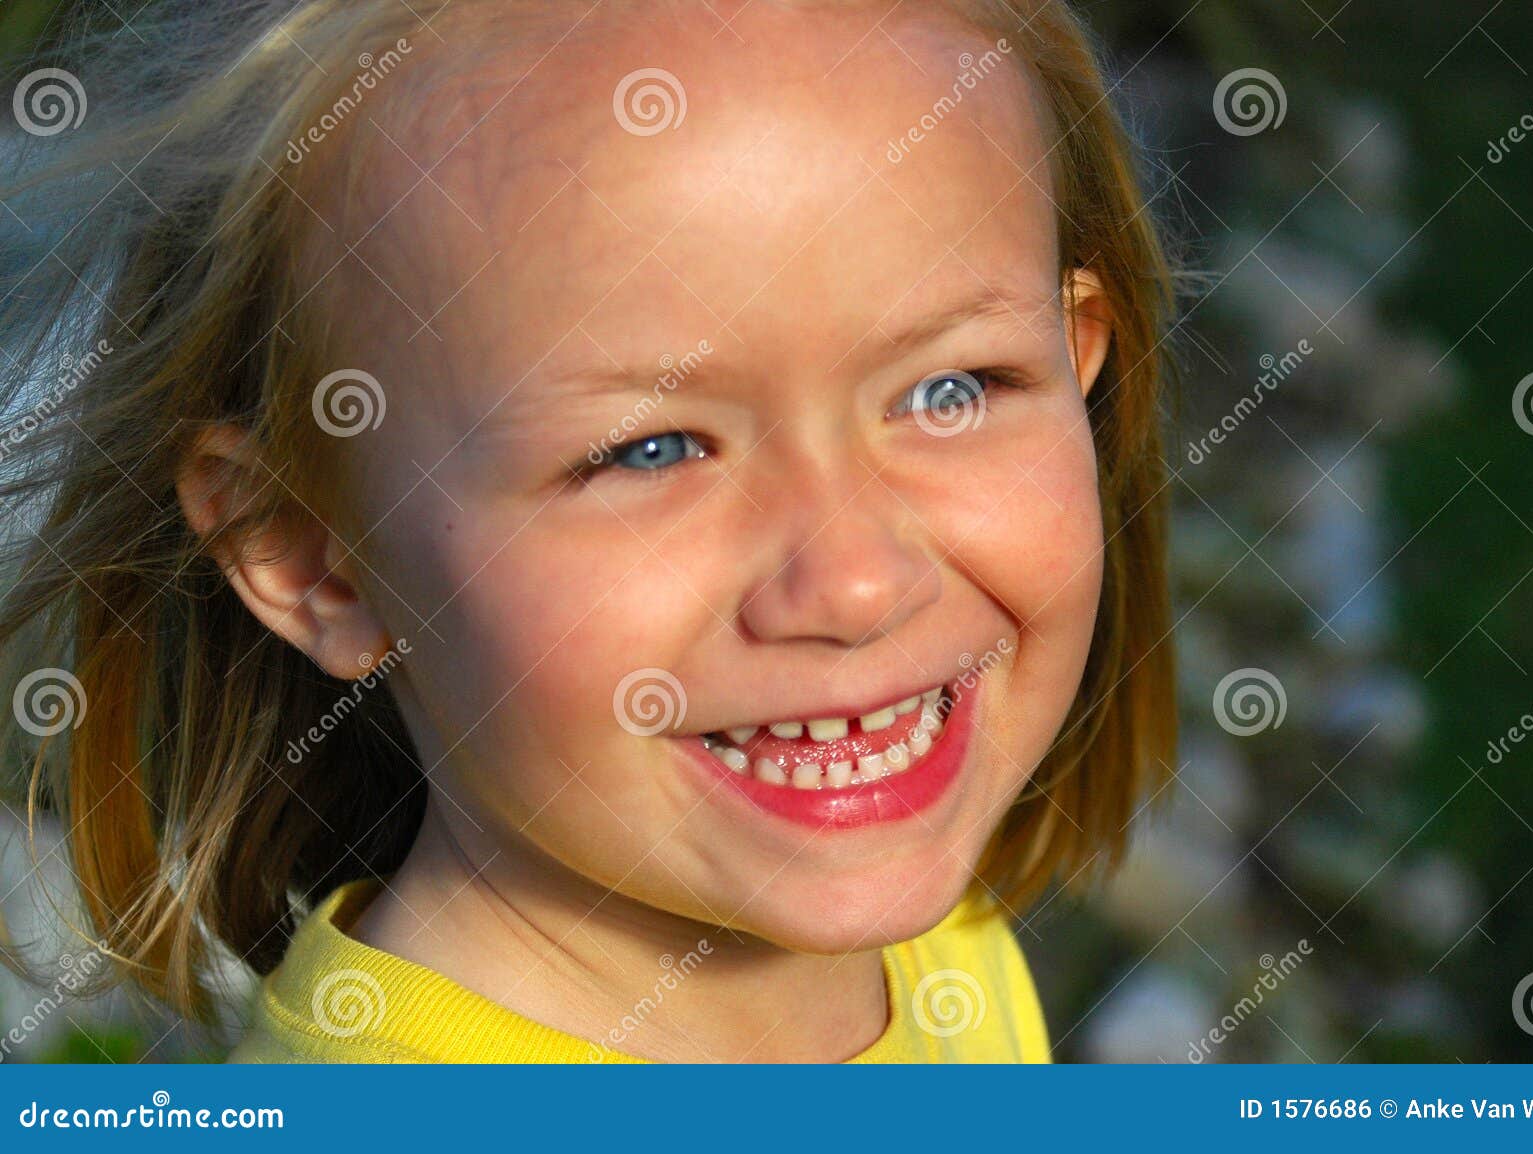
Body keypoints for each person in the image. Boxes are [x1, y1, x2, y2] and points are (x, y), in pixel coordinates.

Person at [0, 0, 1176, 1063]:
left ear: (1077, 364)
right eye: (648, 451)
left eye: (951, 389)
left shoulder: (938, 947)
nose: (860, 582)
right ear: (312, 551)